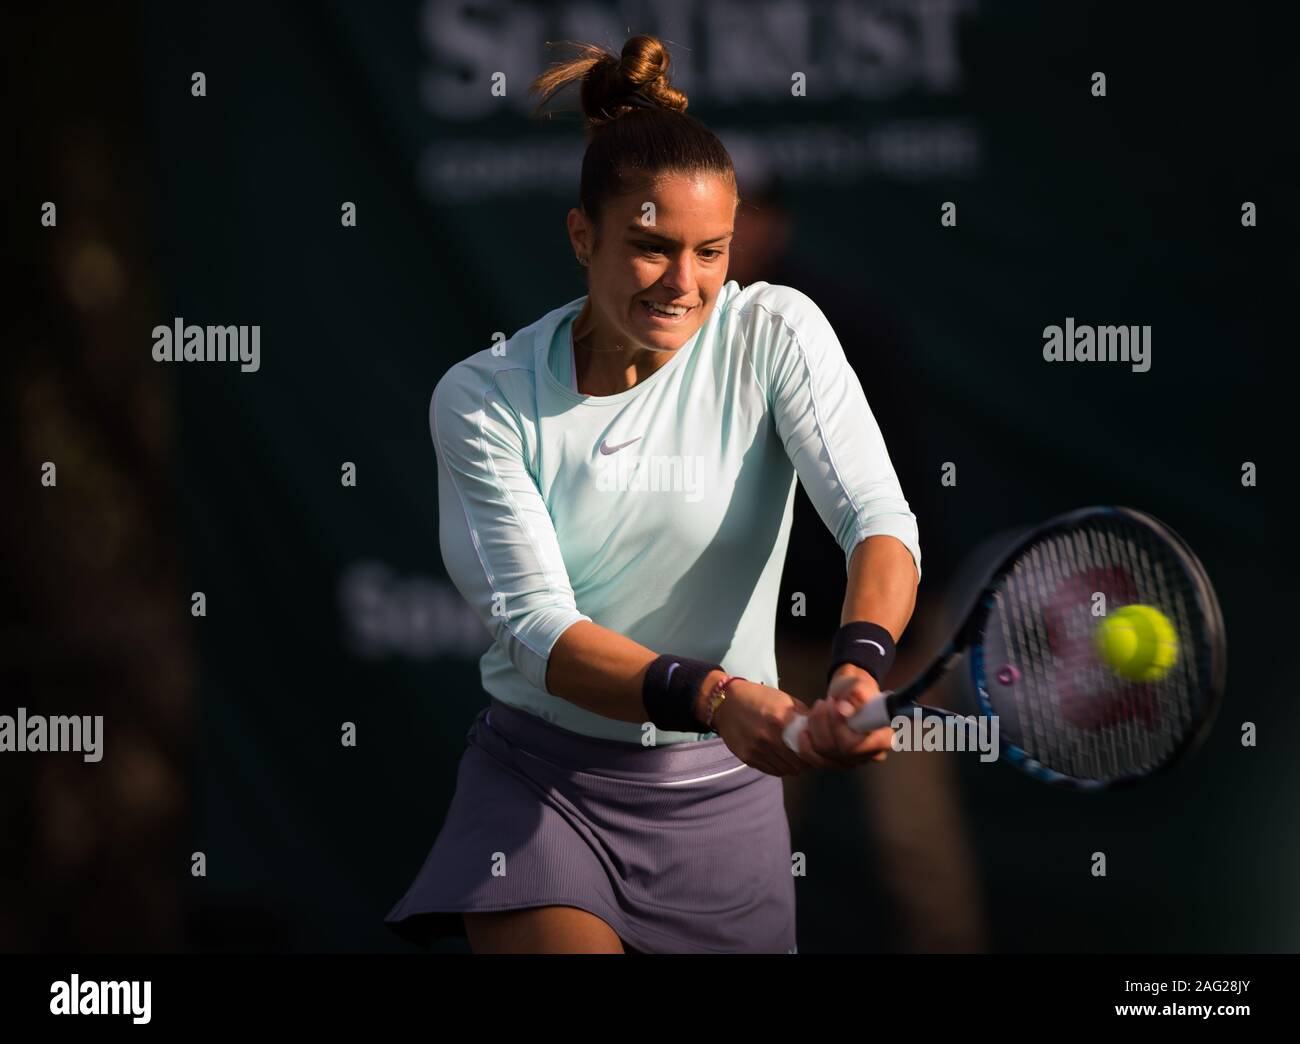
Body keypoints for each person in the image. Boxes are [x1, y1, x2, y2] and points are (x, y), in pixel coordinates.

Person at [385, 33, 921, 955]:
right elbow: (536, 629)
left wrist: (857, 667)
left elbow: (877, 517)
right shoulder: (484, 398)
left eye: (710, 251)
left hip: (725, 806)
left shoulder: (776, 333)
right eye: (649, 247)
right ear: (581, 235)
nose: (685, 284)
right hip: (542, 791)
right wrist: (717, 696)